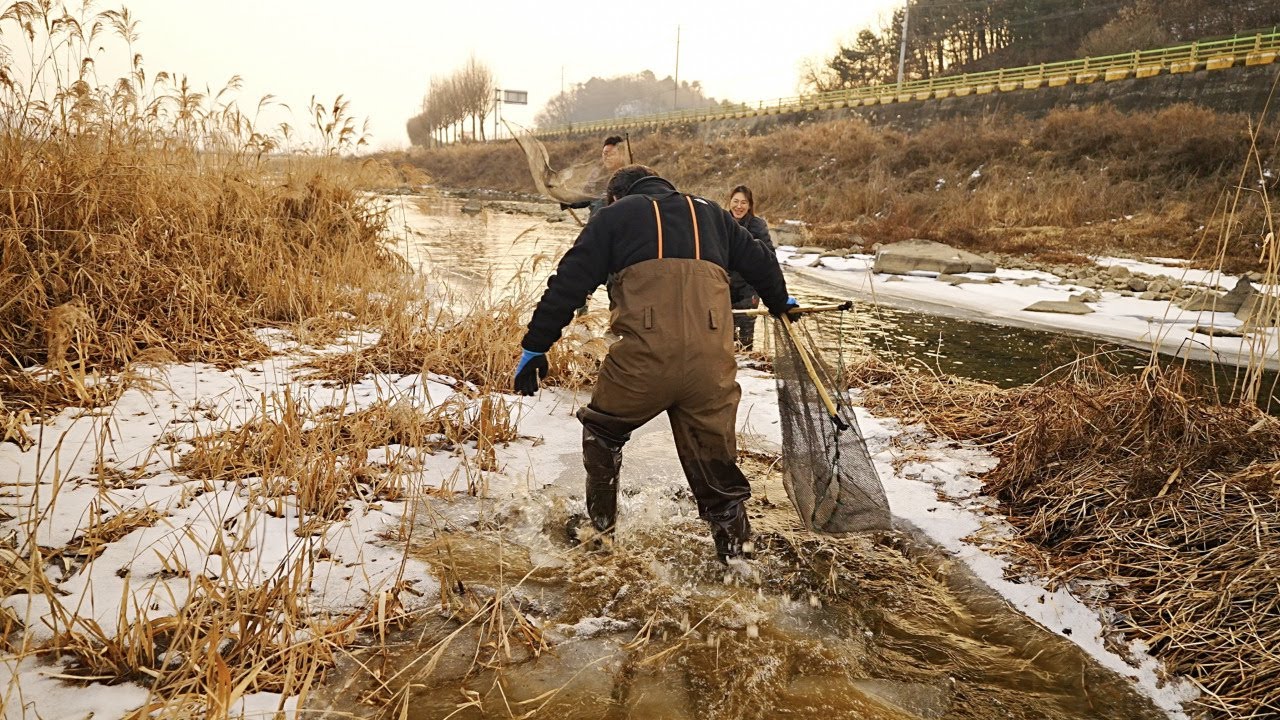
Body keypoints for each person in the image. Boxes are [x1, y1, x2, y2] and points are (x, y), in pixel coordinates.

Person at [513, 165, 799, 563]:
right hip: (710, 367)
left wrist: (536, 346)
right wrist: (781, 302)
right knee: (717, 470)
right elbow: (763, 264)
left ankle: (601, 533)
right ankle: (739, 566)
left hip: (642, 364)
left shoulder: (615, 216)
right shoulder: (713, 214)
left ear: (616, 197)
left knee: (602, 430)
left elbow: (568, 283)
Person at [726, 185, 774, 351]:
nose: (739, 206)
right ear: (730, 202)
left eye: (744, 203)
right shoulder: (722, 221)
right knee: (724, 330)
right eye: (736, 201)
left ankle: (747, 367)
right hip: (724, 285)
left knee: (746, 329)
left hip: (748, 287)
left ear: (750, 205)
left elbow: (769, 255)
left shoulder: (757, 225)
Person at [561, 135, 628, 219]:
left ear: (622, 155)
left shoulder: (630, 174)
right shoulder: (597, 174)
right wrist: (566, 200)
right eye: (605, 153)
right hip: (596, 224)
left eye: (612, 154)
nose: (607, 157)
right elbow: (586, 197)